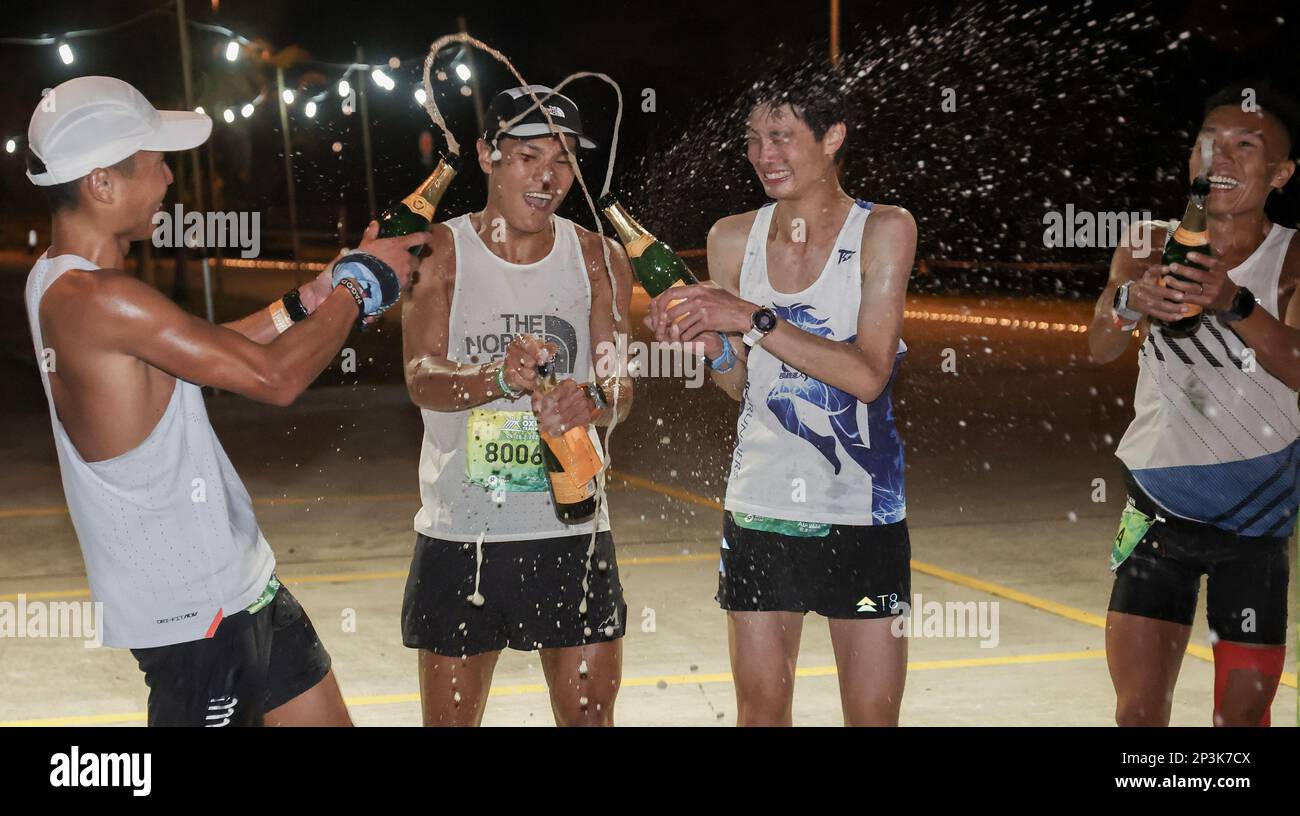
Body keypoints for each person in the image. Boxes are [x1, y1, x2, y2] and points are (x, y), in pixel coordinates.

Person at [23, 75, 430, 726]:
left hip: (244, 588)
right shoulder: (101, 300)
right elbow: (276, 379)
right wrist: (362, 285)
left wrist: (312, 296)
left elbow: (195, 353)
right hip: (195, 619)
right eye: (156, 165)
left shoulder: (60, 282)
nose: (168, 181)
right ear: (102, 183)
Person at [645, 75, 916, 726]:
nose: (765, 154)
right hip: (760, 508)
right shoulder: (732, 238)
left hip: (863, 510)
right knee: (761, 715)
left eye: (782, 136)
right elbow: (745, 386)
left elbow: (868, 375)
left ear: (832, 138)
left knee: (872, 717)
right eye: (754, 139)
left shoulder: (884, 230)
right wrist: (711, 347)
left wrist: (751, 316)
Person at [400, 85, 635, 726]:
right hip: (463, 532)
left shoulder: (599, 258)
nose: (547, 177)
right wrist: (495, 377)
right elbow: (420, 376)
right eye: (528, 155)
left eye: (562, 159)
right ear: (486, 154)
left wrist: (589, 399)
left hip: (576, 530)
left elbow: (621, 387)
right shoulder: (438, 252)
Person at [1088, 84, 1299, 727]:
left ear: (1282, 173)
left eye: (1246, 146)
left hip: (1256, 522)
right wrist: (1129, 303)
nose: (1222, 158)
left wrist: (1234, 302)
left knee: (1241, 724)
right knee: (1139, 714)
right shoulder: (1148, 242)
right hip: (1156, 512)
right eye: (1210, 142)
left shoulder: (1293, 255)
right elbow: (1100, 345)